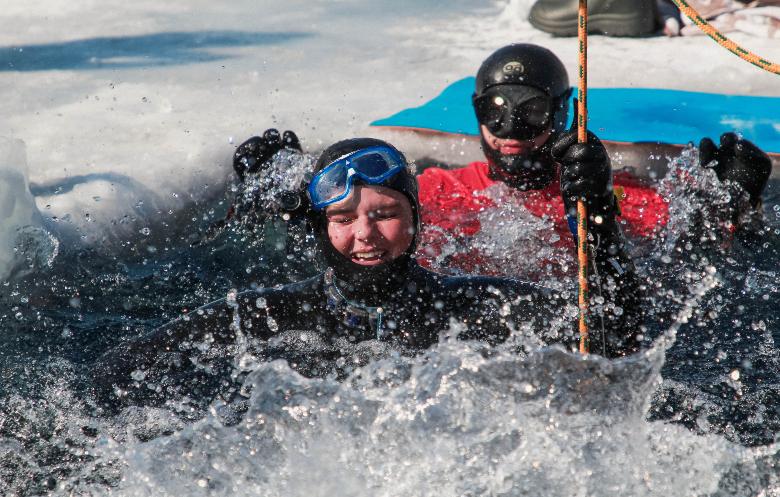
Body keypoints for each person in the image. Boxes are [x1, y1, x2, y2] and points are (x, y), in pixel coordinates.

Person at [95, 138, 643, 408]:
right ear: (319, 228)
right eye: (342, 219)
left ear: (415, 221)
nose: (365, 235)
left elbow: (611, 338)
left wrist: (597, 221)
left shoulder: (471, 306)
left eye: (385, 214)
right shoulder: (270, 314)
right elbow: (116, 373)